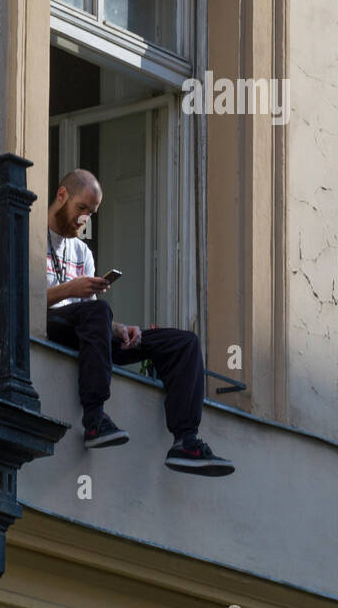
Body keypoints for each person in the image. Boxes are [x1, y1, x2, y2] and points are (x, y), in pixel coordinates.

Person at [45, 168, 235, 476]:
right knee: (98, 313)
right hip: (50, 324)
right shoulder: (28, 231)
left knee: (184, 343)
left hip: (87, 331)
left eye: (90, 214)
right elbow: (22, 300)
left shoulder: (82, 250)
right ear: (62, 196)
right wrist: (70, 289)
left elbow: (91, 310)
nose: (83, 220)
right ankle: (94, 419)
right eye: (81, 208)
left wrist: (120, 330)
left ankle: (186, 440)